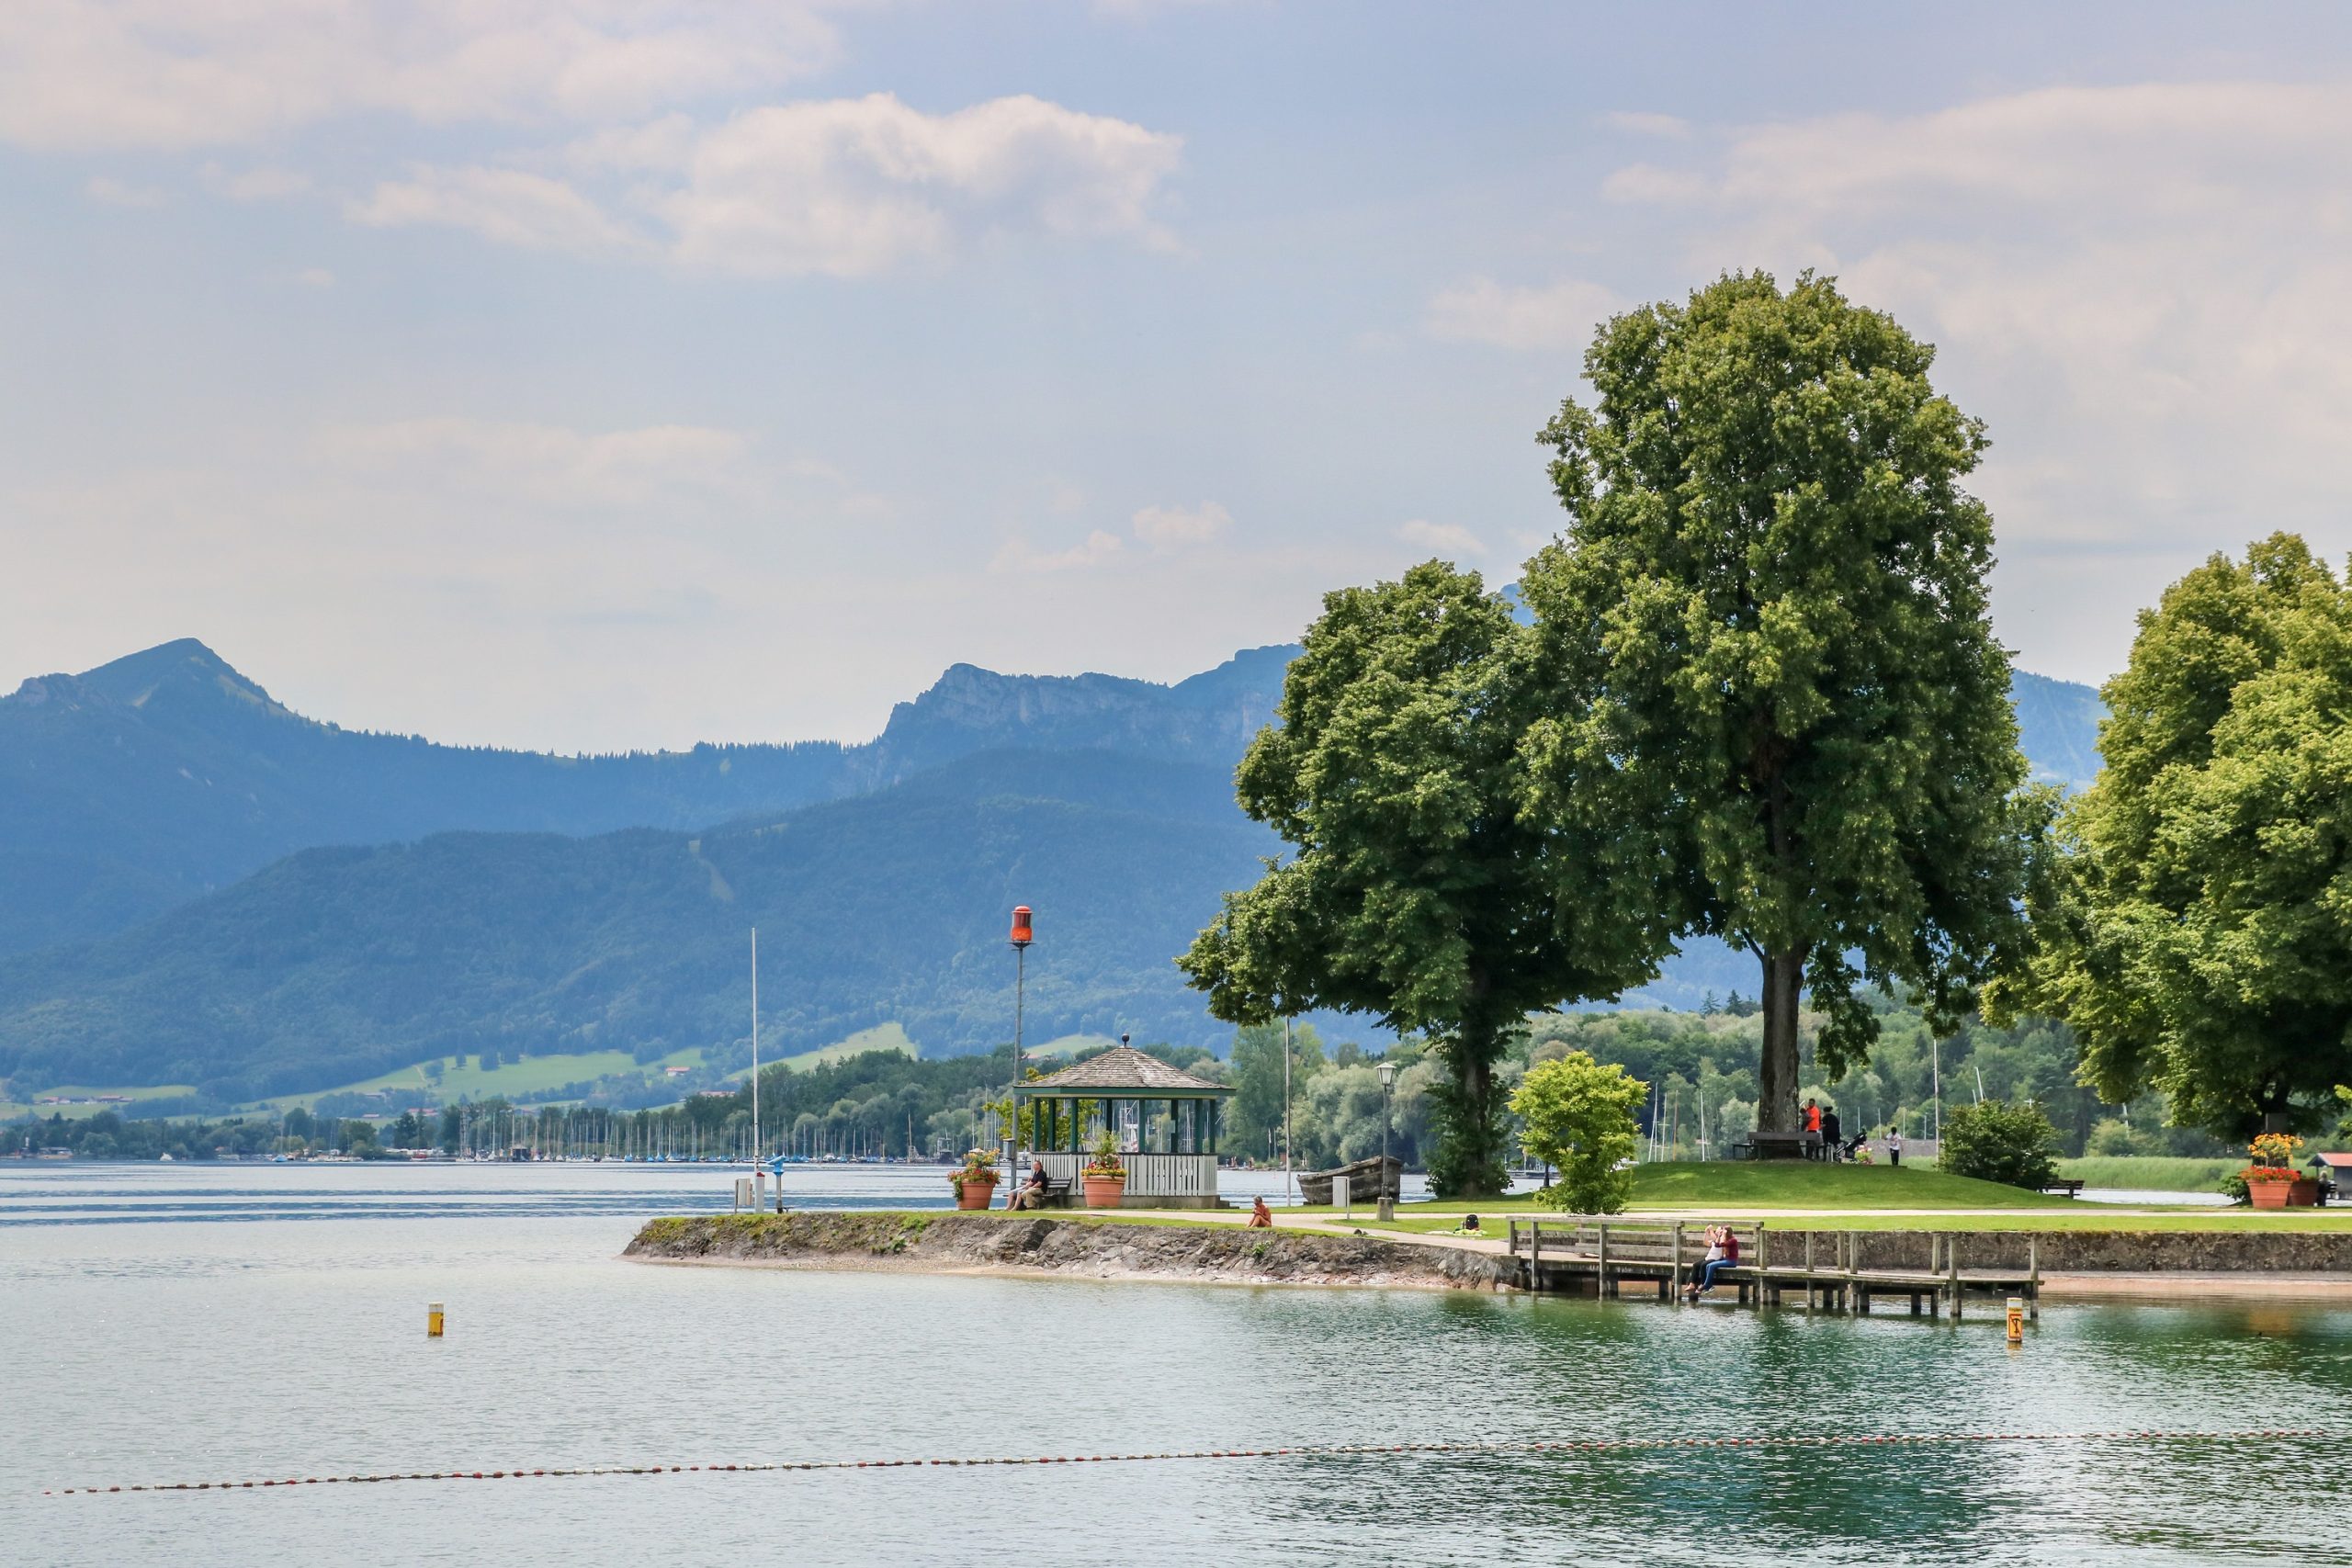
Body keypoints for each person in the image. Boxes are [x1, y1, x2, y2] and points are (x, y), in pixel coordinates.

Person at [1685, 1224, 1739, 1299]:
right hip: (1724, 1260)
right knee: (1701, 1265)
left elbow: (1722, 1243)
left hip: (1731, 1261)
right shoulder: (1722, 1239)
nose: (1719, 1231)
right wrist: (1716, 1235)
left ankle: (1706, 1285)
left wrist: (1719, 1234)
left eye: (1722, 1230)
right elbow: (1717, 1245)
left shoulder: (1733, 1240)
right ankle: (1699, 1285)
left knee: (1710, 1265)